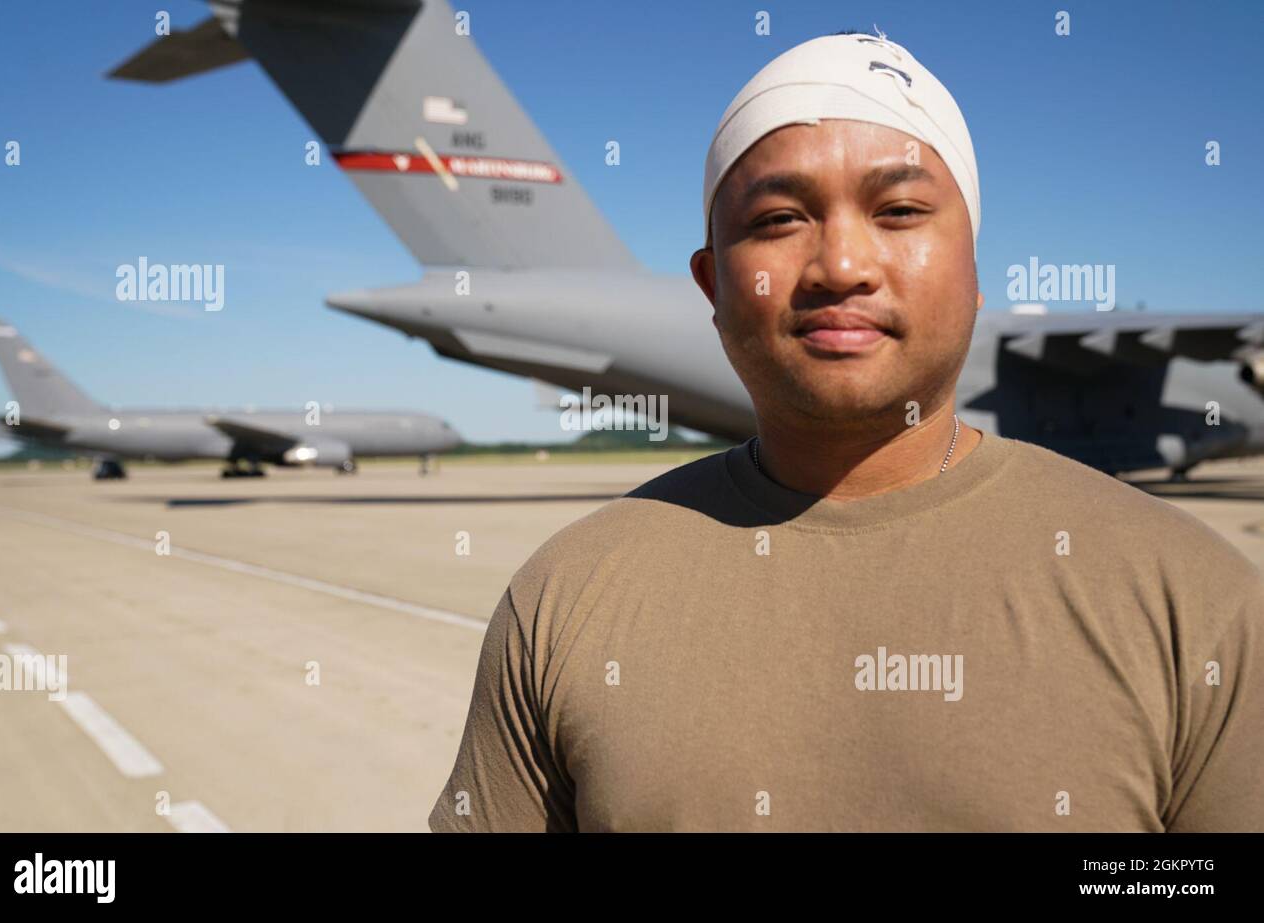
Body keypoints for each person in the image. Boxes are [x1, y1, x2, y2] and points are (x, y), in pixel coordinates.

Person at [428, 31, 1264, 832]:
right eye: (779, 220)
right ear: (712, 284)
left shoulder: (1197, 607)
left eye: (898, 210)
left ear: (975, 269)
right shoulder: (564, 599)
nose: (841, 266)